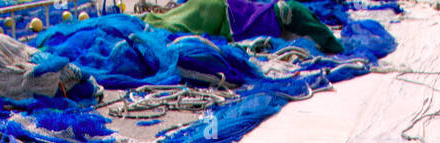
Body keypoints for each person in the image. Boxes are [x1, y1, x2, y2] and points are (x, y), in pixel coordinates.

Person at [144, 0, 343, 55]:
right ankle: (143, 23)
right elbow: (326, 39)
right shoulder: (297, 13)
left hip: (221, 6)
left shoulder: (280, 9)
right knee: (176, 28)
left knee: (170, 19)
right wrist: (340, 50)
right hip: (222, 15)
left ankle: (144, 18)